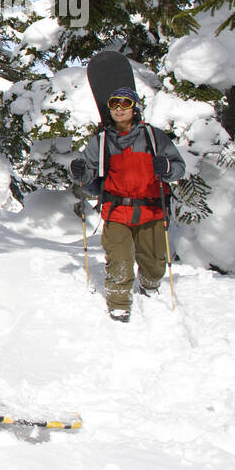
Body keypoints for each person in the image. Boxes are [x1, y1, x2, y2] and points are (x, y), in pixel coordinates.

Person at [69, 85, 185, 322]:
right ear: (109, 109)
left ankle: (149, 284)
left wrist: (168, 168)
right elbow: (88, 174)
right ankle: (119, 302)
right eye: (114, 104)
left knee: (154, 262)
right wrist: (78, 171)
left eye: (125, 103)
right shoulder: (101, 141)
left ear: (135, 108)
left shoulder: (154, 137)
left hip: (151, 209)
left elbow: (179, 167)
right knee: (119, 261)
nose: (119, 109)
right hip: (117, 209)